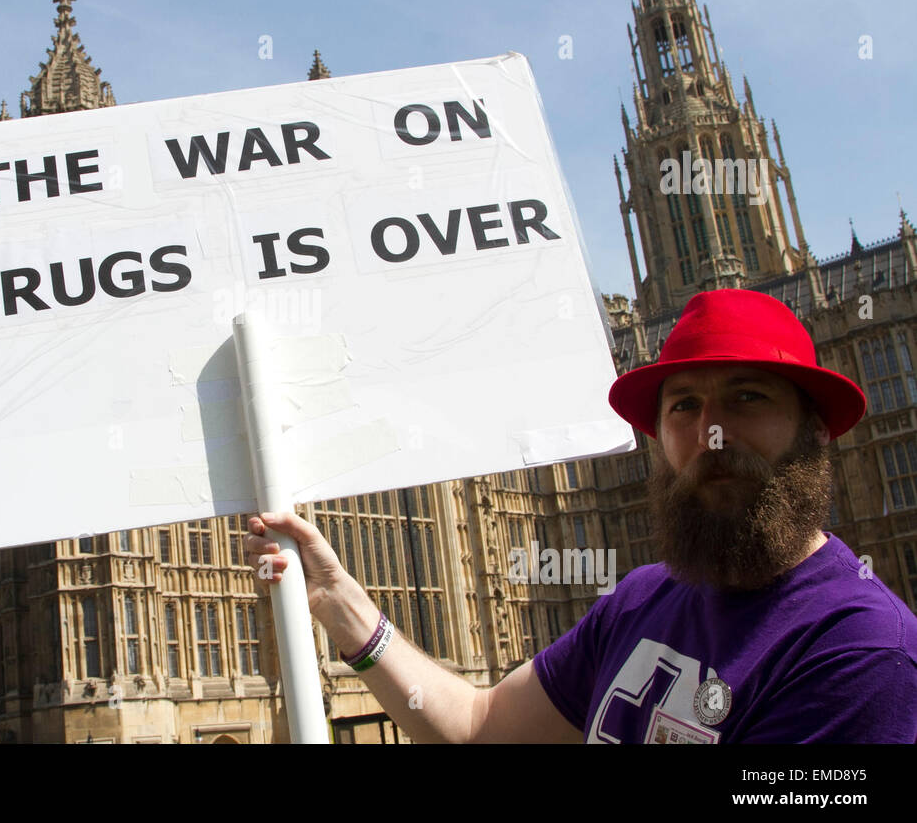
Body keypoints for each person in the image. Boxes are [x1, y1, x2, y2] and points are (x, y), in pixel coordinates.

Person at [244, 289, 917, 742]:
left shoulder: (861, 655)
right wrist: (342, 605)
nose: (712, 434)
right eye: (684, 406)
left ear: (816, 431)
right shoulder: (642, 599)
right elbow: (480, 726)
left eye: (746, 398)